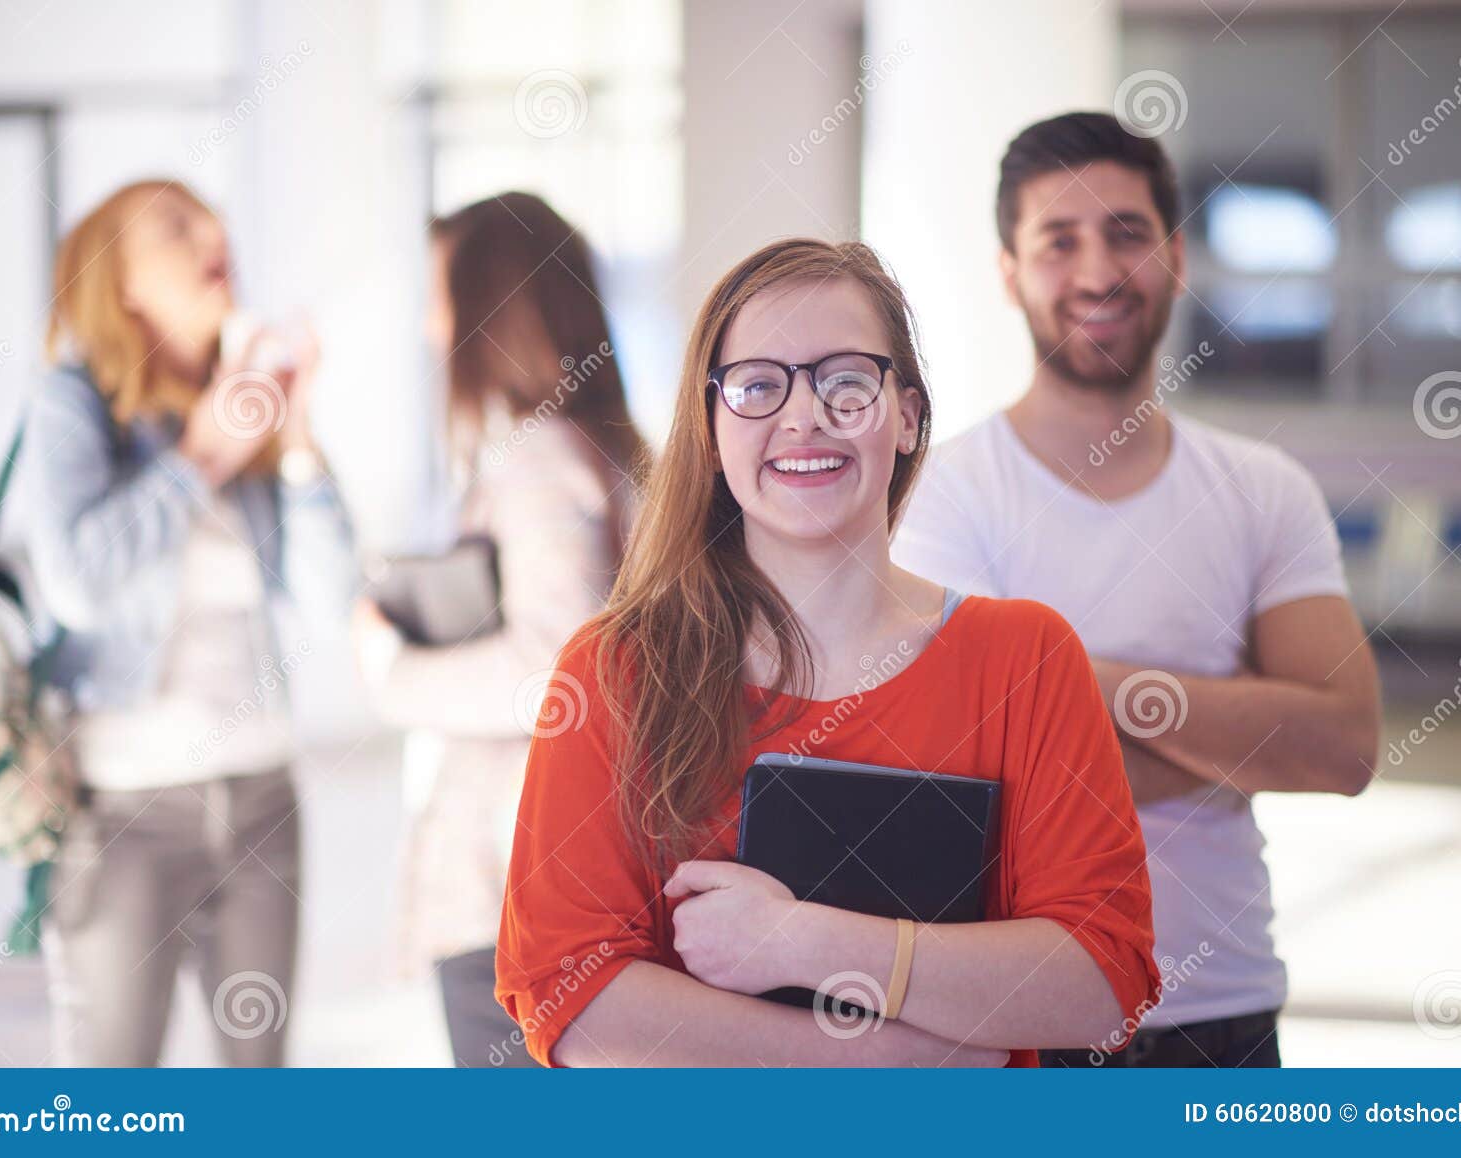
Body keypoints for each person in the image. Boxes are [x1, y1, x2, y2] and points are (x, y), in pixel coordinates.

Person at [494, 238, 1160, 1067]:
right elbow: (570, 998)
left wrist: (800, 942)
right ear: (710, 426)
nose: (802, 417)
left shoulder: (1024, 656)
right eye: (757, 386)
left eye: (845, 381)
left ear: (909, 415)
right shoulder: (615, 671)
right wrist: (891, 1061)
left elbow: (1100, 982)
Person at [894, 112, 1383, 1067]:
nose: (1096, 271)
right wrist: (1238, 735)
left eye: (1126, 232)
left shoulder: (1261, 488)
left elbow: (1343, 744)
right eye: (1058, 240)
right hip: (1010, 1010)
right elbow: (959, 777)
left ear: (1177, 255)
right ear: (1008, 272)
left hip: (1220, 1004)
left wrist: (1056, 681)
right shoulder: (941, 495)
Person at [17, 179, 356, 1066]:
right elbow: (79, 584)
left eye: (215, 217)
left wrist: (299, 432)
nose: (213, 232)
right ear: (118, 280)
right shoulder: (74, 403)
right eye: (175, 227)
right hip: (125, 809)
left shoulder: (242, 405)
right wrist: (202, 455)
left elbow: (328, 597)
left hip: (262, 798)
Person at [351, 193, 643, 1067]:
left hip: (514, 879)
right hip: (570, 864)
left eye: (441, 297)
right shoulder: (608, 452)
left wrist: (391, 668)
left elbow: (553, 670)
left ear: (489, 308)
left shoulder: (536, 461)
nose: (429, 327)